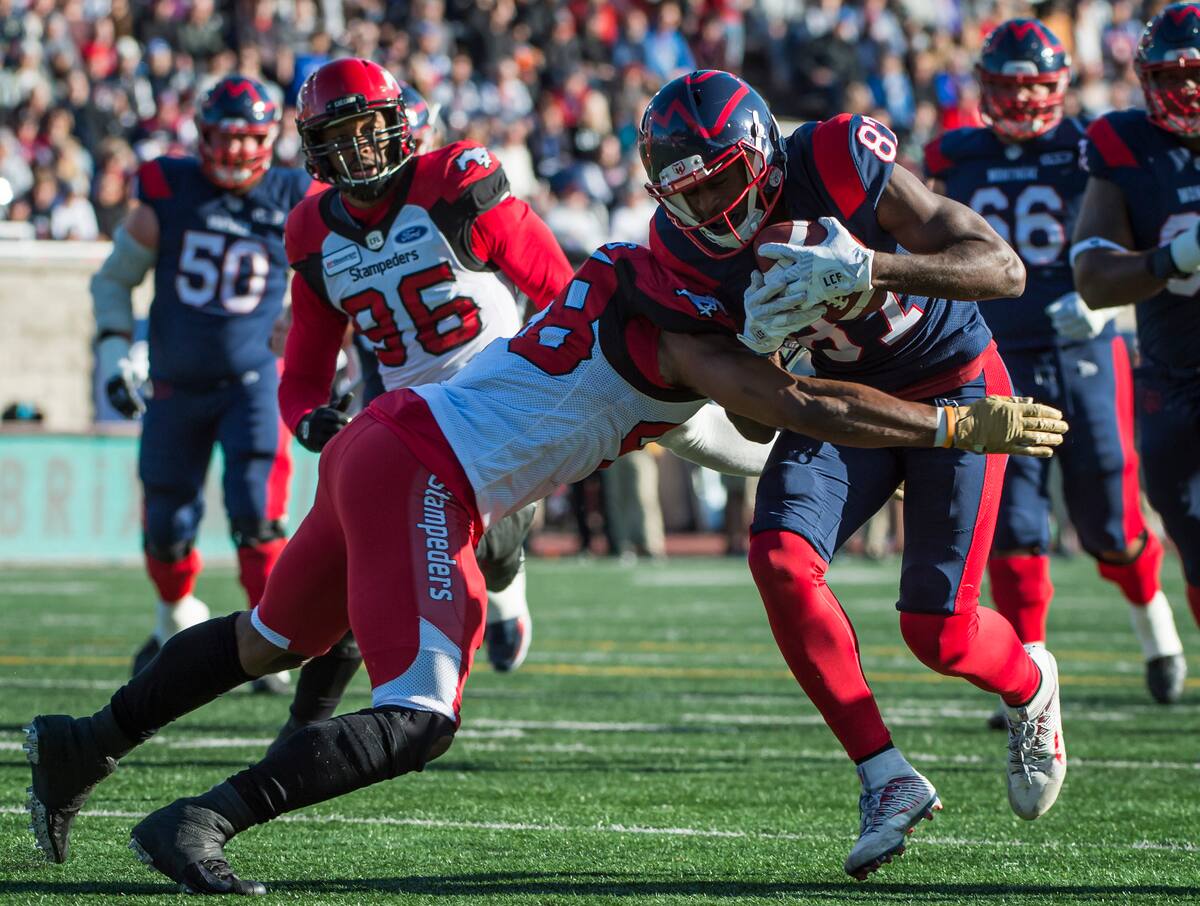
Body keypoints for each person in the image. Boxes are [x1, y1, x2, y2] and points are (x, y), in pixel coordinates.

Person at [23, 238, 1065, 893]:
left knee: (272, 639)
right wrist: (954, 422)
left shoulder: (622, 273)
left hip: (383, 435)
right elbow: (803, 406)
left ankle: (85, 741)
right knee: (423, 712)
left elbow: (708, 433)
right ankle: (199, 822)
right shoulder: (689, 333)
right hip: (427, 473)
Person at [639, 70, 1066, 879]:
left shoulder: (834, 157)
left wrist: (873, 267)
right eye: (687, 195)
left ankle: (1030, 686)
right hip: (841, 408)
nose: (710, 210)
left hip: (954, 377)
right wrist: (760, 348)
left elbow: (1002, 269)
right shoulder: (677, 251)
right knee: (777, 558)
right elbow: (758, 418)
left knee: (938, 634)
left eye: (724, 179)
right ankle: (884, 776)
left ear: (762, 152)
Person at [271, 59, 574, 748]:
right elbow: (304, 372)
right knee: (365, 555)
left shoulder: (453, 185)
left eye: (368, 129)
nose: (356, 149)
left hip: (502, 394)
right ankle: (304, 729)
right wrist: (309, 417)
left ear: (399, 122)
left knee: (492, 550)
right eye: (338, 136)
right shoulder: (311, 232)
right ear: (315, 147)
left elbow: (561, 287)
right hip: (406, 413)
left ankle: (507, 587)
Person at [925, 19, 1187, 714]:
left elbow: (1119, 231)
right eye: (1005, 87)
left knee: (1113, 522)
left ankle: (1156, 631)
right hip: (998, 356)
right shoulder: (952, 155)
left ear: (1060, 87)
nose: (1017, 102)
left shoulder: (1094, 145)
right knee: (1014, 527)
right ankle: (1029, 678)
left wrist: (1103, 306)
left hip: (1086, 348)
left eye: (1032, 87)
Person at [91, 75, 312, 689]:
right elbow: (113, 279)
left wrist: (314, 336)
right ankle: (173, 618)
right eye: (225, 137)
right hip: (175, 384)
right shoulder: (170, 188)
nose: (238, 152)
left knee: (257, 513)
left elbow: (330, 280)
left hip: (252, 383)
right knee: (165, 520)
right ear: (202, 135)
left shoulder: (296, 195)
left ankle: (272, 638)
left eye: (249, 139)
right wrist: (114, 352)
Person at [1072, 2, 1200, 654]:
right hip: (1176, 382)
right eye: (1175, 75)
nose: (1190, 89)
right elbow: (1093, 276)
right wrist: (1174, 256)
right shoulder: (1127, 144)